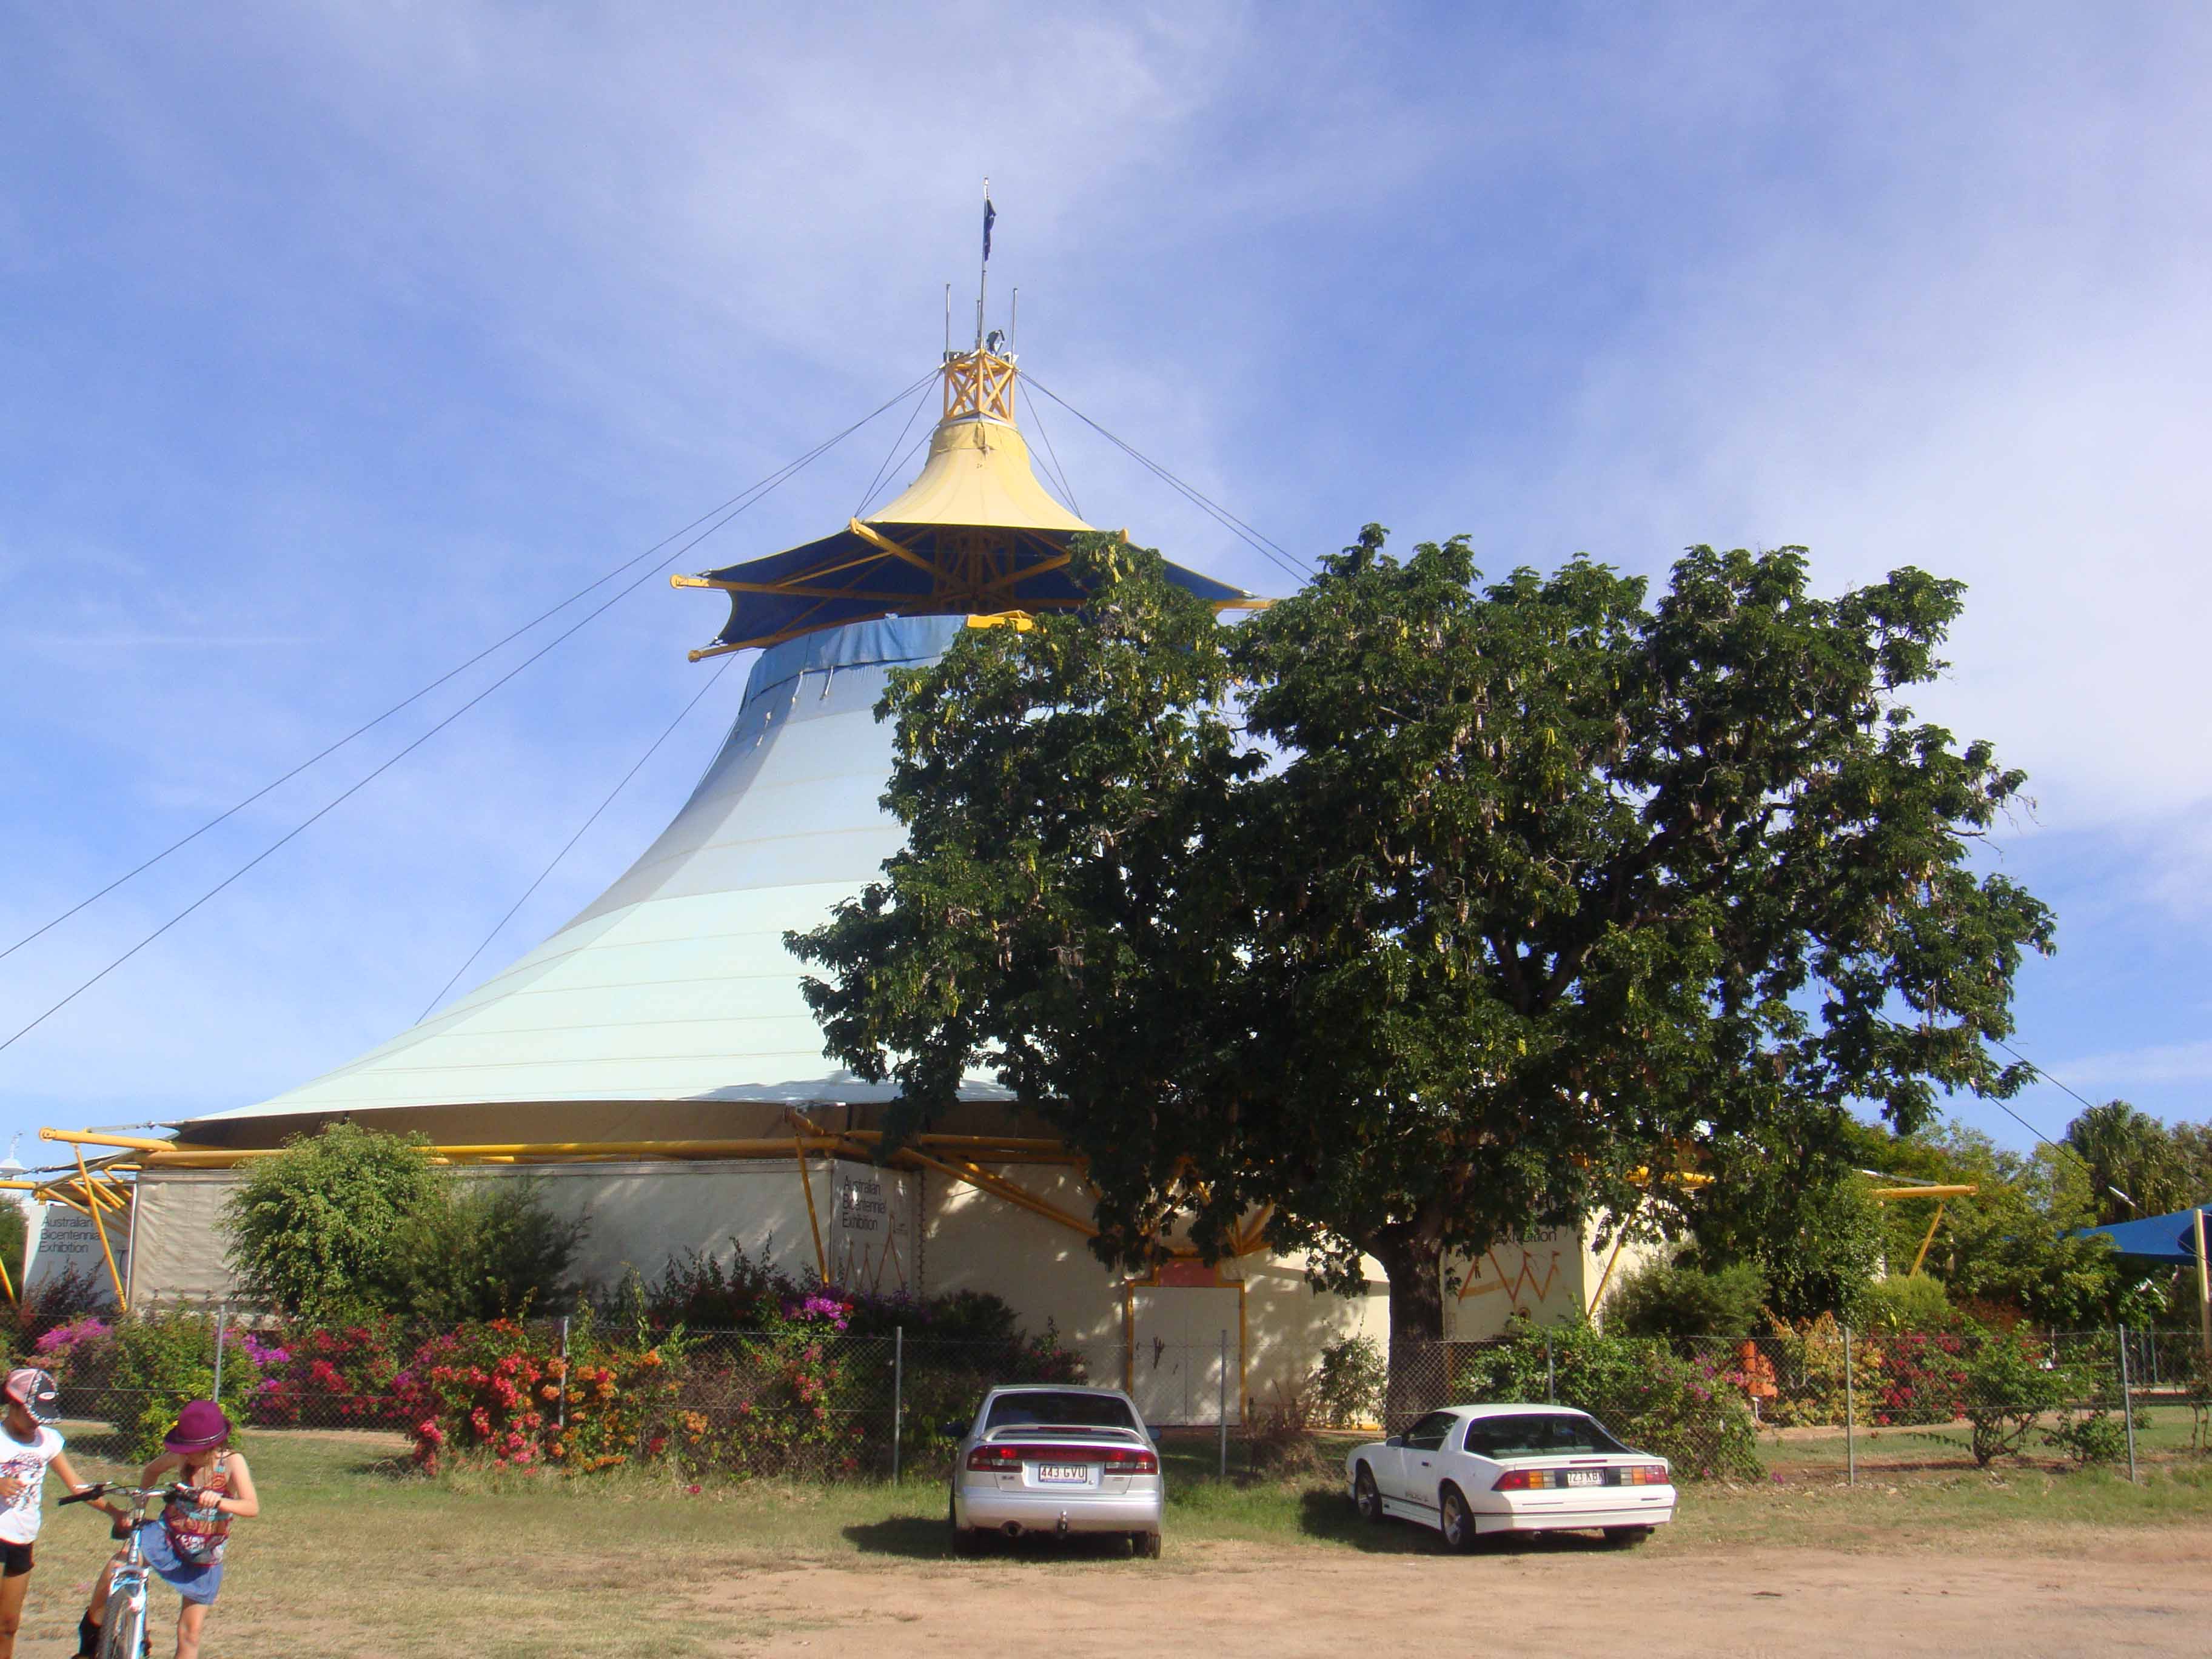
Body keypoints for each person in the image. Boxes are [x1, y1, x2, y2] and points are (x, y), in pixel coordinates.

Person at [76, 1401, 258, 1659]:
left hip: (204, 1555)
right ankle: (93, 1629)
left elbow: (252, 1506)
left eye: (190, 1450)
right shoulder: (182, 1457)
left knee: (190, 1633)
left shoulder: (232, 1462)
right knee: (118, 1564)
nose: (185, 1455)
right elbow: (151, 1471)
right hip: (168, 1536)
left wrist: (218, 1500)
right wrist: (140, 1509)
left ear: (211, 1446)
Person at [0, 1367, 111, 1659]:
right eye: (32, 1413)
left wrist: (115, 1512)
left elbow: (77, 1486)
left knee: (9, 1623)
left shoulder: (48, 1440)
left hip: (22, 1538)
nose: (37, 1421)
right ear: (13, 1404)